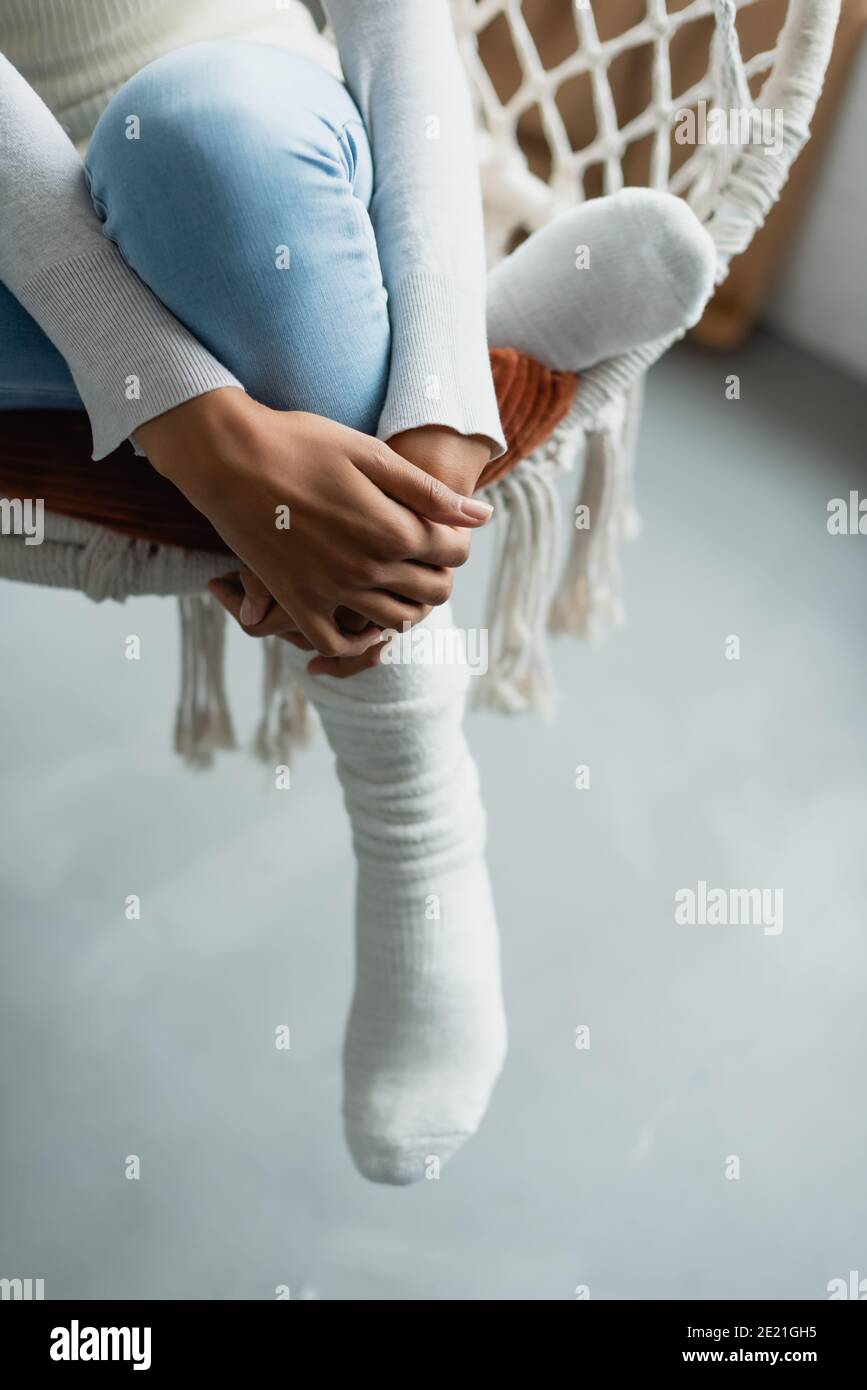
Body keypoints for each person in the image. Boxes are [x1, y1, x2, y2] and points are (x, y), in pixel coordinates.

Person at [0, 0, 715, 1184]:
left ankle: (410, 811)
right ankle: (500, 360)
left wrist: (436, 413)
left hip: (252, 189)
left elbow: (400, 29)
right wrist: (206, 437)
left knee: (197, 139)